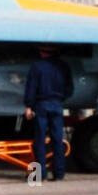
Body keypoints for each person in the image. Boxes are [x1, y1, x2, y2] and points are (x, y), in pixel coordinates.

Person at [23, 45, 73, 181]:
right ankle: (59, 173)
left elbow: (31, 88)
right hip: (57, 104)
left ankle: (41, 175)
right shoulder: (63, 66)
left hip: (41, 105)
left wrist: (28, 106)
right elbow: (69, 89)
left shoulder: (37, 67)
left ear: (41, 52)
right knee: (57, 140)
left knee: (39, 140)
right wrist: (60, 98)